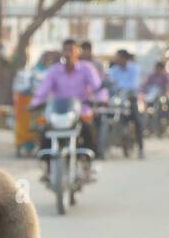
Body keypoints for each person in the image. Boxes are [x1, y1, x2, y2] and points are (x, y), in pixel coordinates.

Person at [32, 38, 102, 178]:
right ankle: (47, 167)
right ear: (62, 52)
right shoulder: (54, 71)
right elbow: (43, 89)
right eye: (66, 50)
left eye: (71, 50)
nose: (68, 53)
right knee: (44, 132)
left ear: (77, 52)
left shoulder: (86, 68)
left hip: (80, 112)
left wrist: (102, 100)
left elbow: (98, 87)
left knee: (89, 131)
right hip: (58, 113)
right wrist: (35, 103)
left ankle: (88, 164)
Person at [107, 48, 144, 158]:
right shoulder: (113, 70)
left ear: (124, 58)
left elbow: (134, 84)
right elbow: (111, 83)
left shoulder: (134, 69)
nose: (116, 59)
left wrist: (123, 90)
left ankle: (141, 149)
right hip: (117, 99)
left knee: (137, 121)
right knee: (108, 118)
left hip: (130, 98)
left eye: (118, 57)